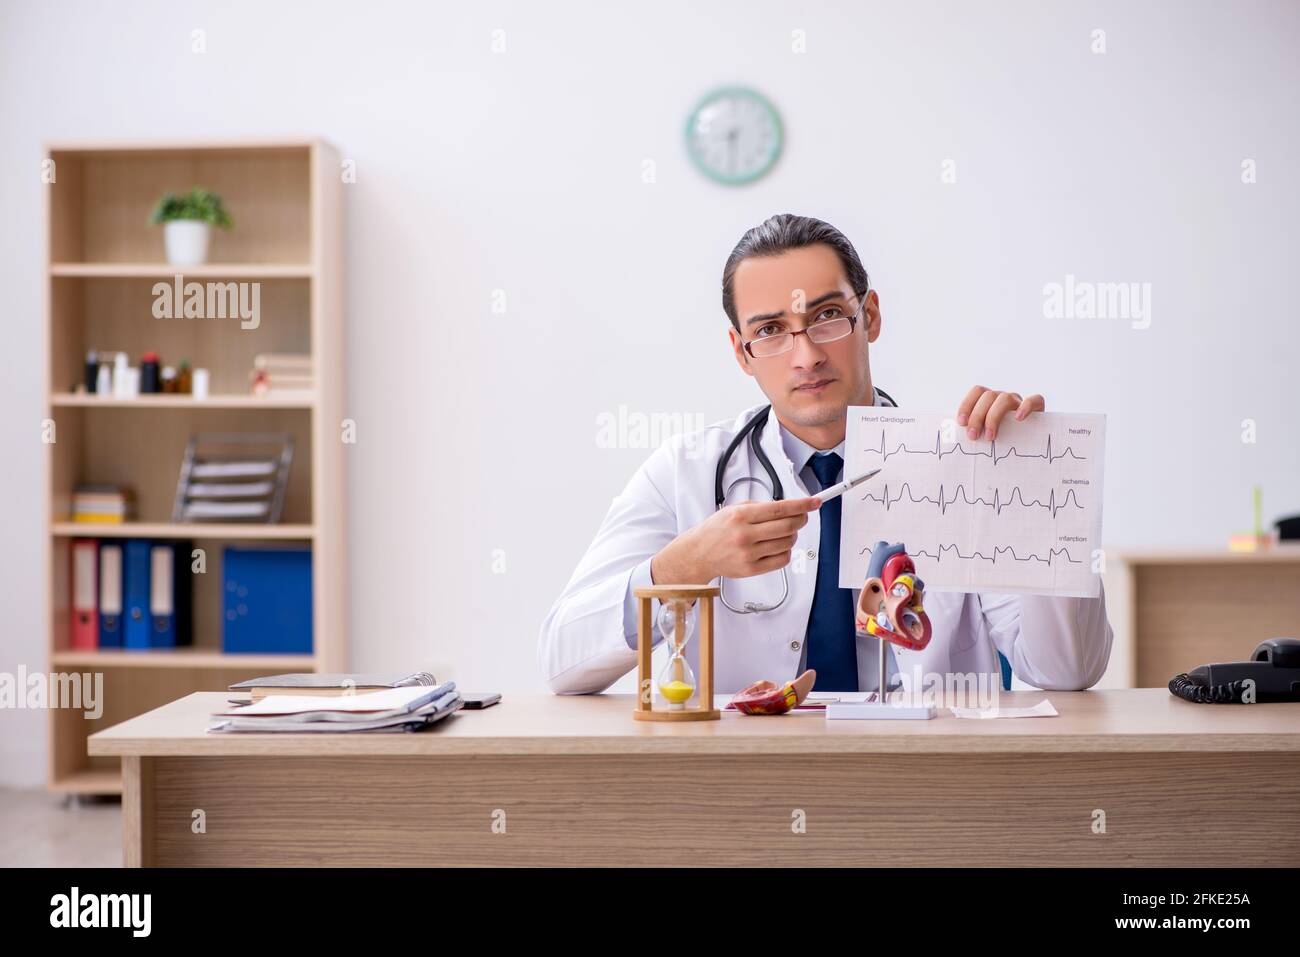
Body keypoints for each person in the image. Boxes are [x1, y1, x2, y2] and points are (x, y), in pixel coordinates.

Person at [538, 213, 1112, 696]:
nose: (805, 355)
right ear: (742, 352)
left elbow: (1068, 671)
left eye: (827, 317)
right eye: (770, 330)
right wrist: (680, 569)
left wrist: (1036, 486)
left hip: (929, 788)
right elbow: (562, 662)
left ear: (871, 317)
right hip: (748, 790)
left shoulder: (972, 461)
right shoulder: (686, 473)